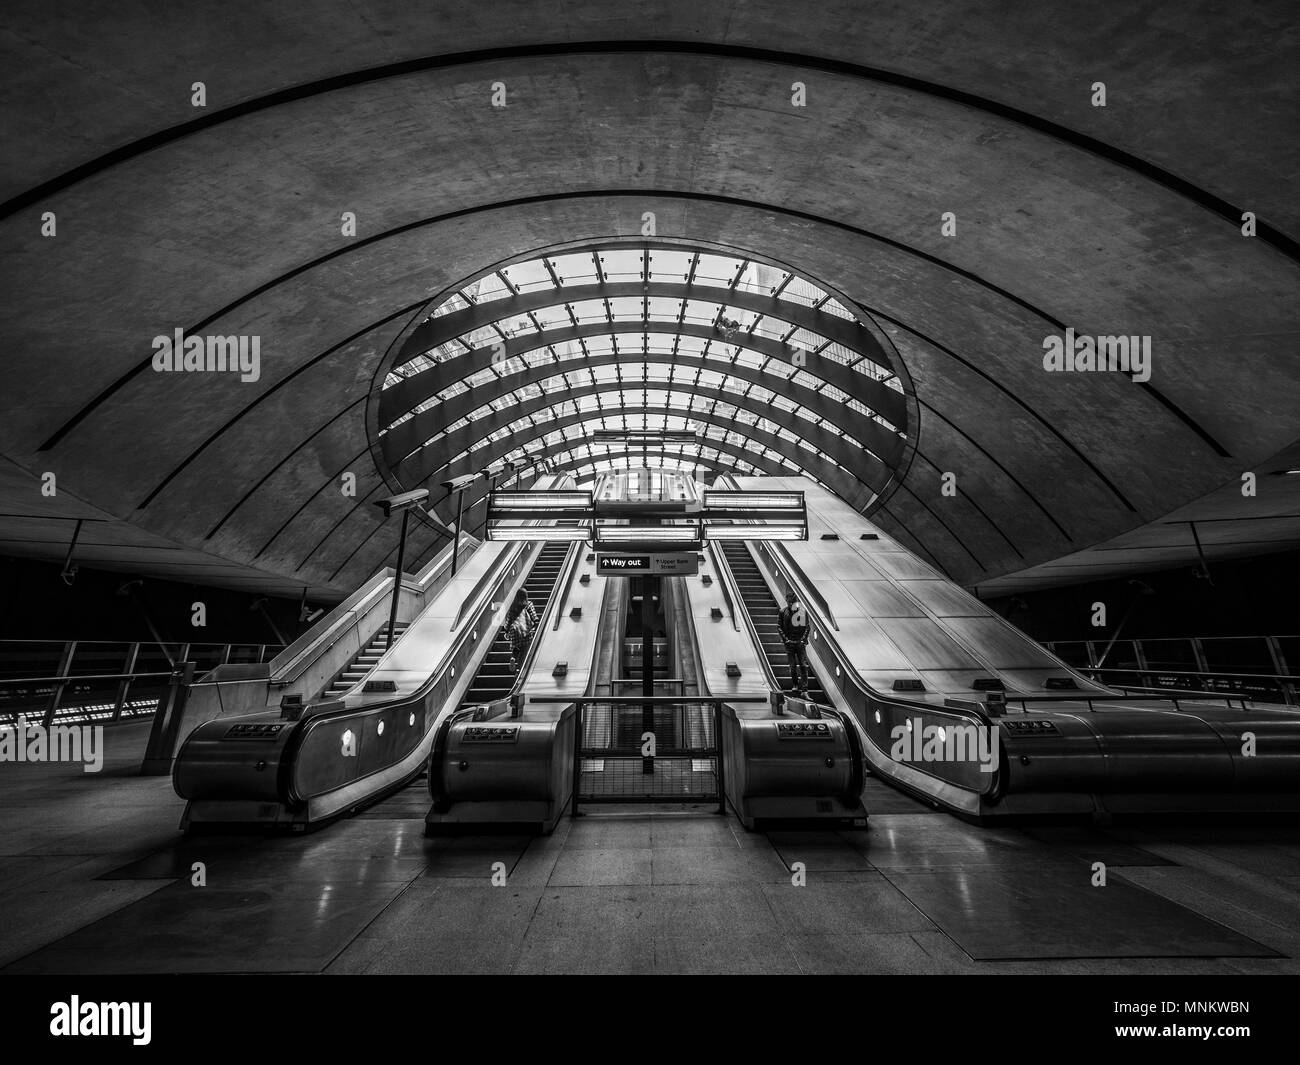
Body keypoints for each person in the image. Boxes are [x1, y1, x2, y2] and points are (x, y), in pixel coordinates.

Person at [778, 589, 810, 694]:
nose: (790, 604)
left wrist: (803, 639)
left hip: (799, 643)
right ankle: (795, 685)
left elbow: (807, 627)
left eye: (792, 602)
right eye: (789, 602)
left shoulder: (802, 612)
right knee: (792, 667)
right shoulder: (783, 612)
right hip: (789, 643)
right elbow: (779, 627)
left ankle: (804, 689)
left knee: (803, 665)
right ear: (786, 601)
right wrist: (785, 639)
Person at [504, 588, 538, 670]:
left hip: (514, 630)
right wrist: (536, 622)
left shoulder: (513, 606)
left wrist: (506, 630)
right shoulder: (528, 604)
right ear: (526, 596)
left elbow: (508, 620)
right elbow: (534, 616)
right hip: (525, 630)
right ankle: (519, 669)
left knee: (516, 648)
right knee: (524, 651)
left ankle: (513, 658)